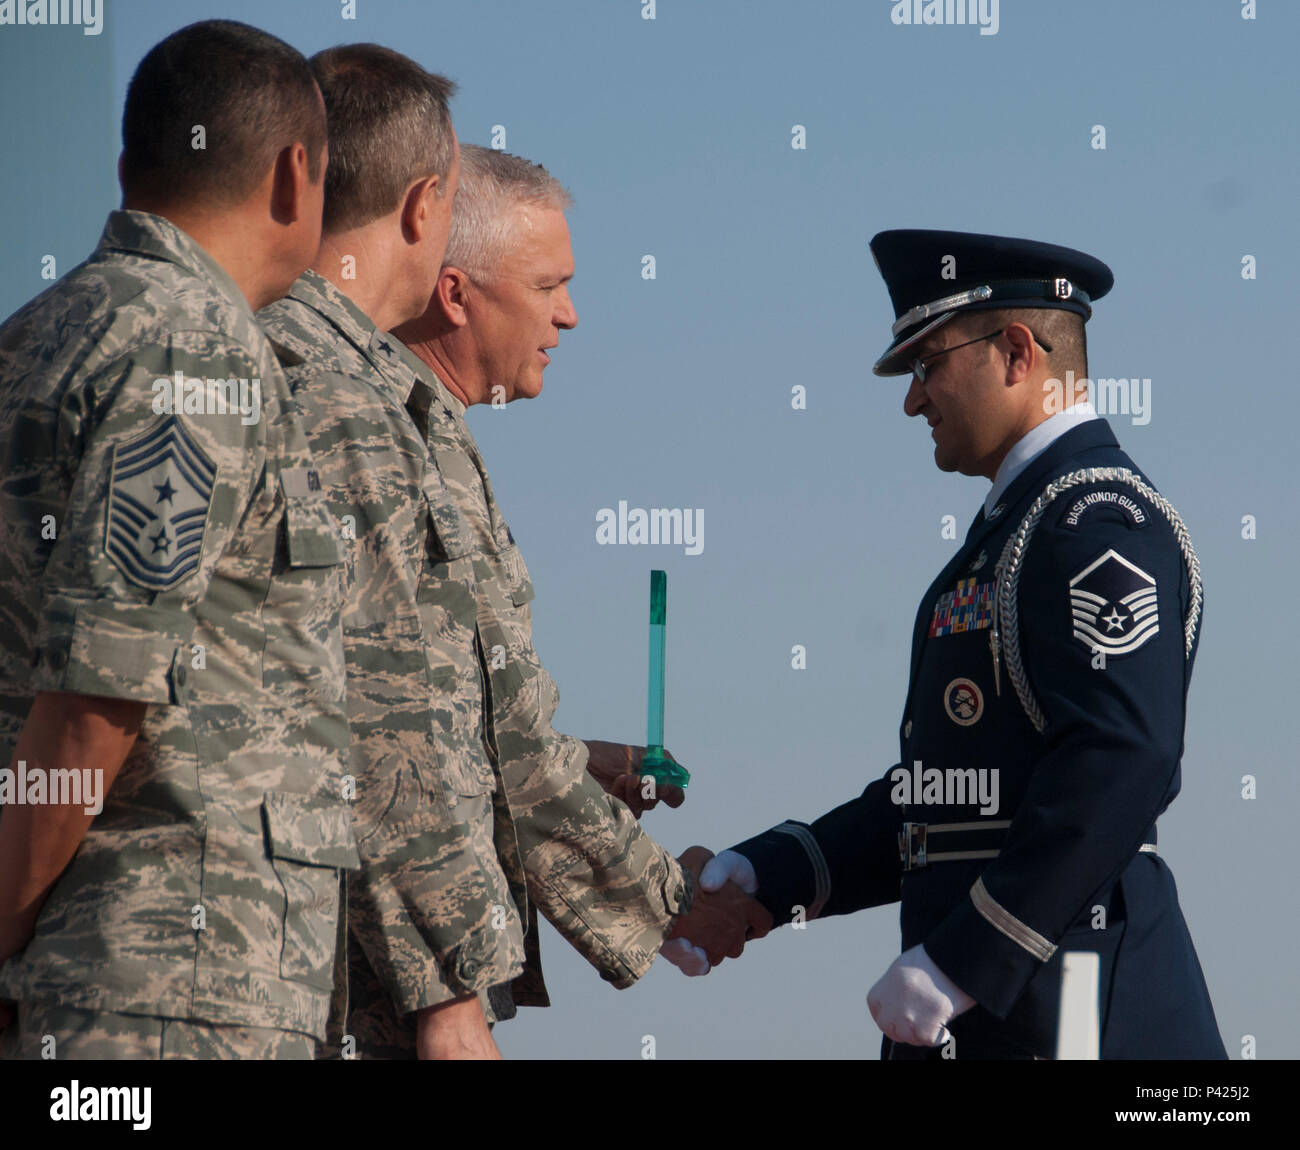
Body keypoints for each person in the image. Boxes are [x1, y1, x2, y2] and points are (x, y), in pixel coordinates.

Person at [698, 229, 1226, 1060]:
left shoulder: (1092, 524)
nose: (913, 400)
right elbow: (954, 800)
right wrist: (776, 872)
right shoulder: (1022, 525)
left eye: (927, 363)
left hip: (1077, 1013)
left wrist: (964, 962)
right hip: (1002, 1011)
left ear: (1016, 353)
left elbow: (1124, 758)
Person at [322, 144, 769, 1055]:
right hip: (357, 990)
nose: (569, 314)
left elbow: (467, 727)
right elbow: (439, 735)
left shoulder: (420, 423)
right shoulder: (387, 430)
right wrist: (667, 900)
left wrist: (582, 763)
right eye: (548, 285)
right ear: (457, 294)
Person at [0, 21, 354, 1059]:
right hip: (162, 988)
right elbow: (95, 696)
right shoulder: (193, 346)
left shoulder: (35, 334)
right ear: (293, 175)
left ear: (128, 170)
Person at [258, 44, 535, 1061]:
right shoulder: (340, 397)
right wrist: (451, 995)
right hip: (301, 978)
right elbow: (379, 721)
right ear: (424, 207)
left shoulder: (206, 348)